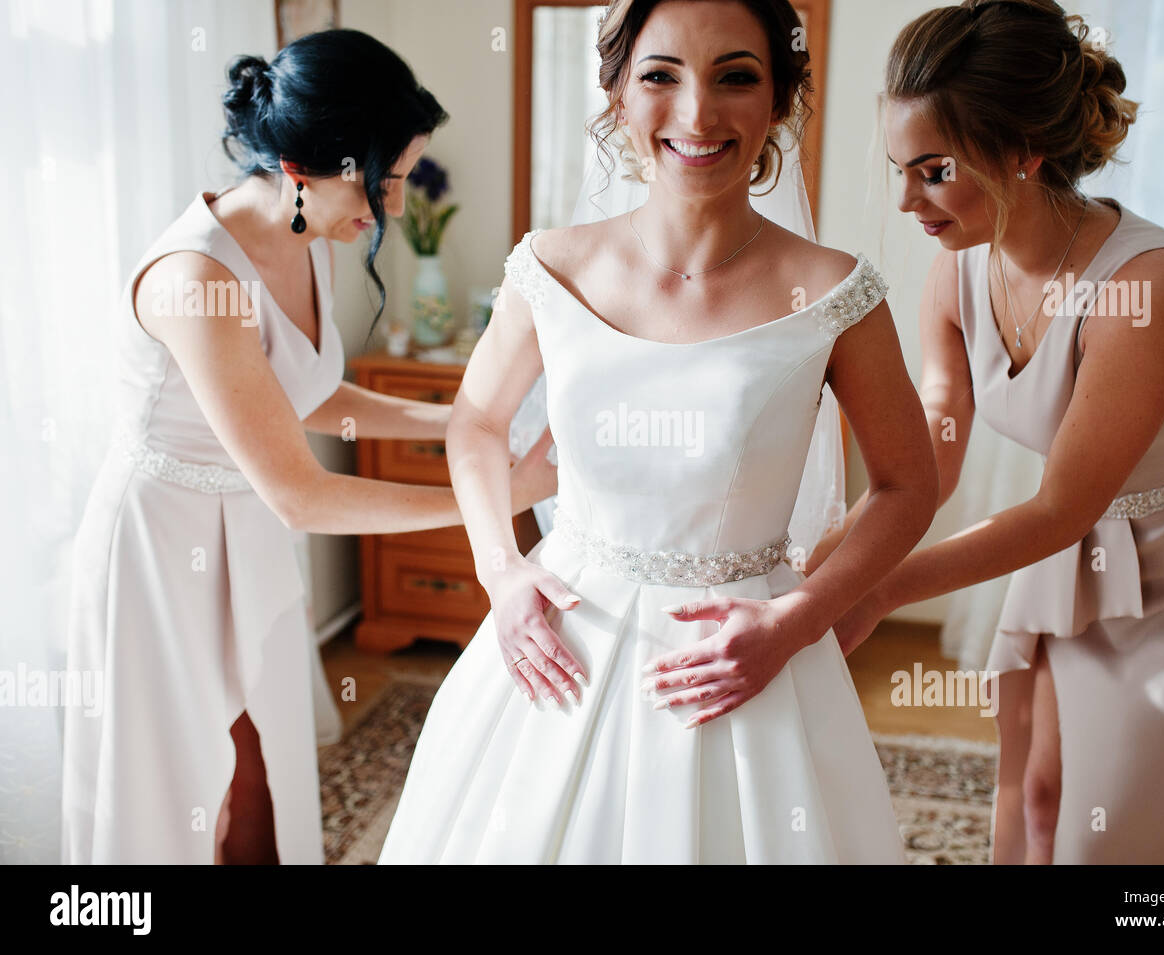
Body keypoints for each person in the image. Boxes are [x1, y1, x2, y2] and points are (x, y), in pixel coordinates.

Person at [377, 0, 937, 864]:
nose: (698, 114)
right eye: (660, 75)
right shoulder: (549, 267)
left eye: (736, 78)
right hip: (564, 635)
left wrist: (796, 621)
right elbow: (478, 422)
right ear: (615, 94)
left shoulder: (835, 291)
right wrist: (502, 572)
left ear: (781, 101)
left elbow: (907, 485)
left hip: (742, 652)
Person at [809, 0, 1164, 863]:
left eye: (932, 170)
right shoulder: (957, 271)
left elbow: (1065, 504)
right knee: (1034, 802)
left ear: (1023, 152)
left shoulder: (1148, 285)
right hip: (1067, 562)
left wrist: (877, 589)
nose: (905, 199)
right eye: (898, 168)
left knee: (1139, 838)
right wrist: (821, 565)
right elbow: (929, 459)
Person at [62, 29, 557, 865]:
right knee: (178, 793)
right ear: (304, 167)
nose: (393, 206)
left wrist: (466, 422)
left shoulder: (305, 237)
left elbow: (313, 394)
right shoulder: (197, 279)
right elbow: (302, 493)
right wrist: (495, 497)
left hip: (243, 533)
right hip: (159, 547)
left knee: (263, 772)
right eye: (383, 178)